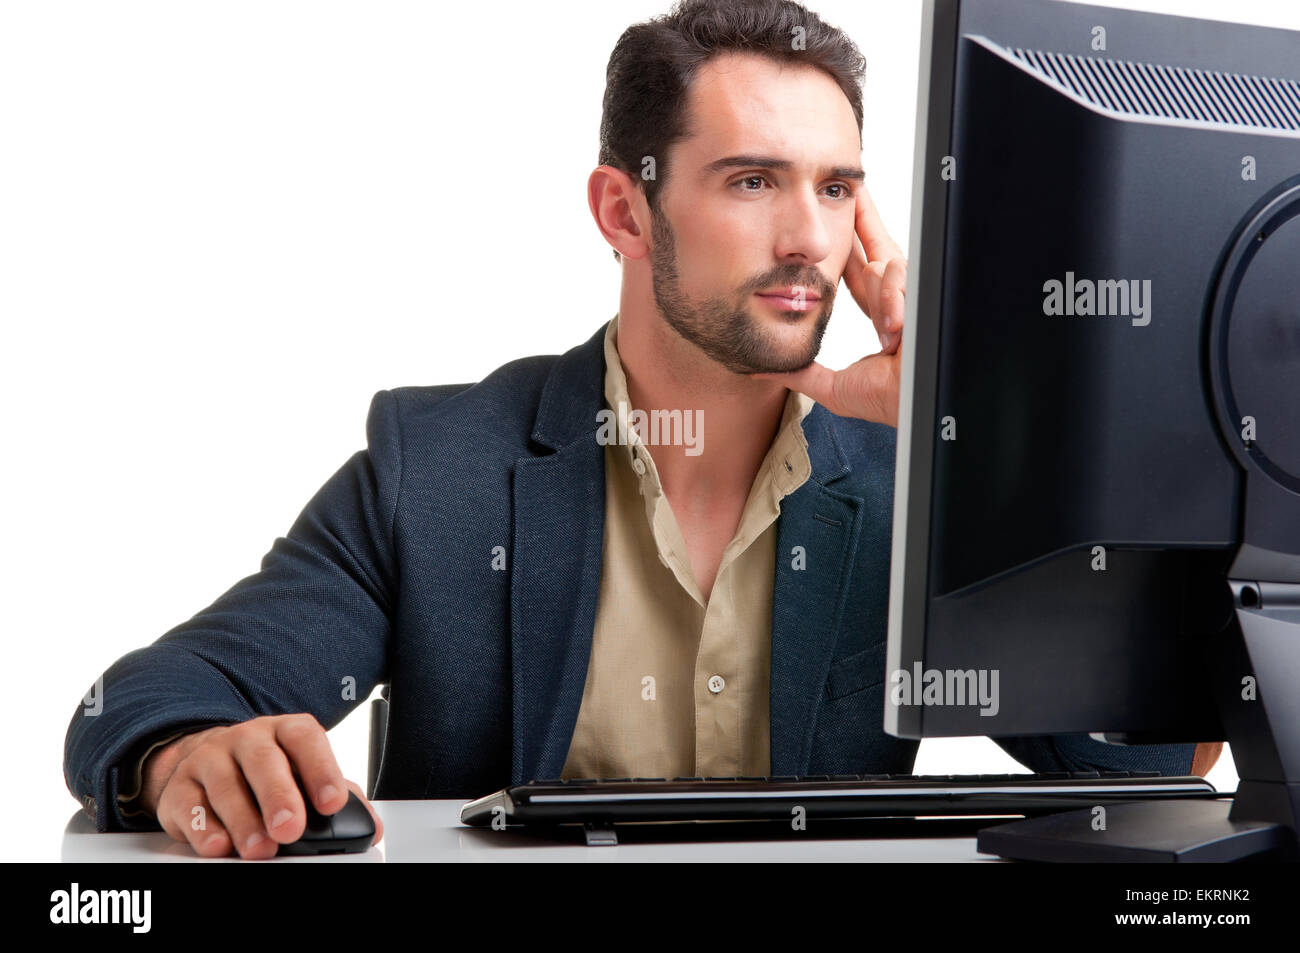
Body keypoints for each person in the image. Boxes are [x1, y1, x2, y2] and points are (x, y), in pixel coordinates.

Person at [64, 0, 1218, 859]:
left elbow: (1147, 763)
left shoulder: (915, 476)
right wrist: (184, 752)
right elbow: (154, 696)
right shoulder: (444, 468)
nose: (810, 239)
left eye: (834, 188)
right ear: (624, 209)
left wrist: (996, 442)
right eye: (754, 182)